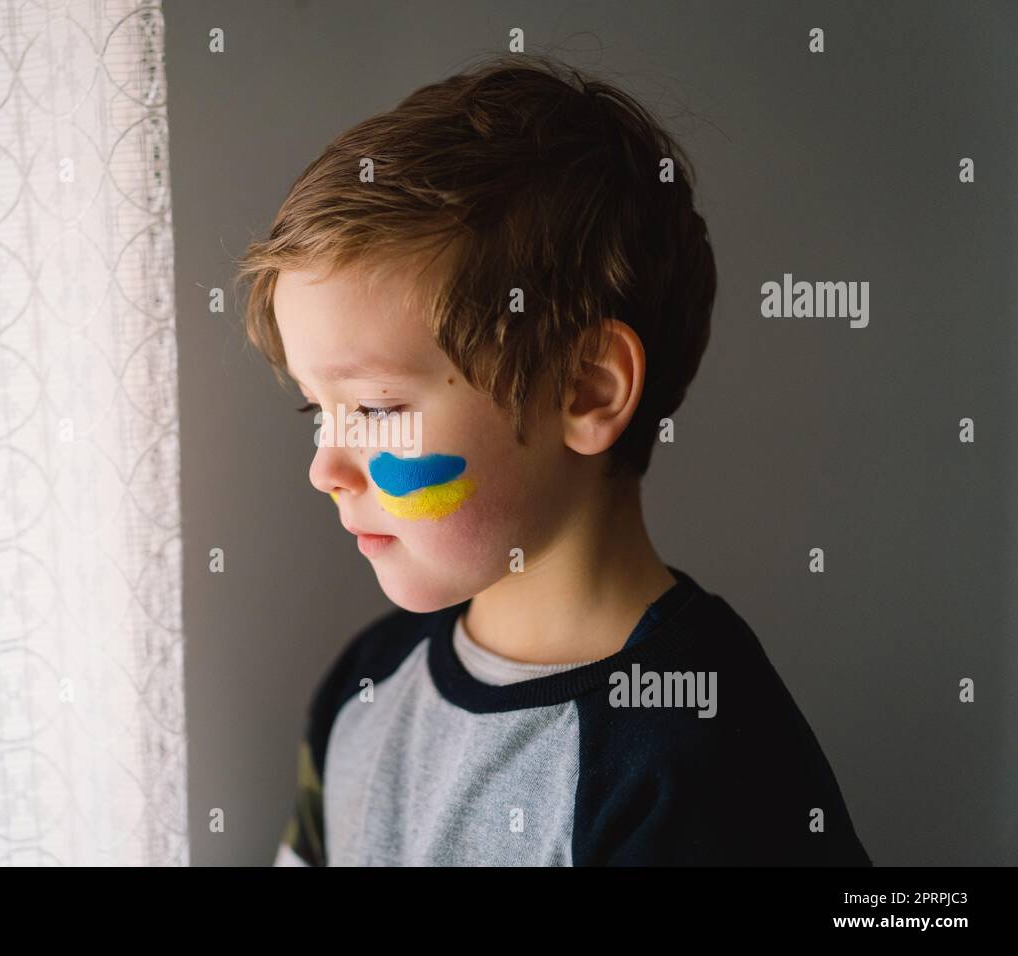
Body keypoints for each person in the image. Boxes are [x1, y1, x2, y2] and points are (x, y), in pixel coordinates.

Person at [234, 53, 871, 866]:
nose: (325, 468)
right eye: (315, 410)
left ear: (585, 391)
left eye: (377, 410)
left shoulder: (697, 759)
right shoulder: (367, 682)